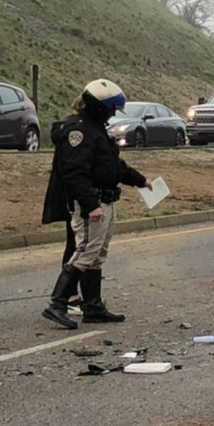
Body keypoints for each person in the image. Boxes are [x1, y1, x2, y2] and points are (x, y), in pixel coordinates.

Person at [41, 79, 149, 329]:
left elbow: (110, 165)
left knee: (97, 255)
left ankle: (93, 306)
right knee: (85, 252)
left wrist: (141, 181)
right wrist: (91, 205)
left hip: (105, 198)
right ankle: (57, 303)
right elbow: (74, 173)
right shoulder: (79, 131)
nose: (113, 114)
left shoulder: (95, 128)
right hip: (92, 202)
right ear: (99, 107)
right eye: (111, 109)